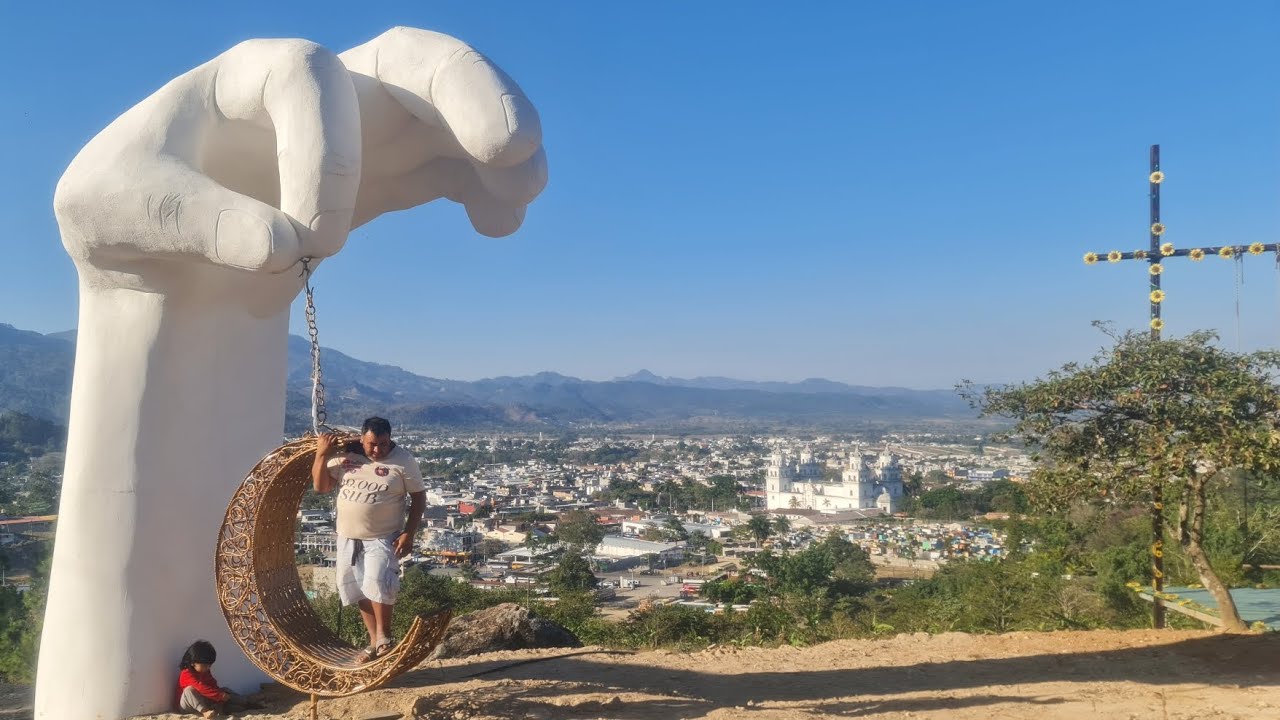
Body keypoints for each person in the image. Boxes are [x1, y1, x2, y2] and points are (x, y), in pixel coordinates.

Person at [312, 417, 426, 661]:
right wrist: (322, 455)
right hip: (347, 536)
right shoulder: (346, 455)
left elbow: (419, 497)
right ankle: (373, 642)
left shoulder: (403, 460)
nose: (377, 450)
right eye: (372, 444)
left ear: (390, 440)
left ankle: (385, 638)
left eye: (383, 444)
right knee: (359, 589)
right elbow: (321, 487)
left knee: (379, 583)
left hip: (383, 536)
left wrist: (409, 532)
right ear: (362, 438)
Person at [174, 640, 256, 717]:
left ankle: (248, 703)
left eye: (209, 665)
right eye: (205, 665)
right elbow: (200, 687)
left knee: (225, 691)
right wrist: (219, 695)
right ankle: (205, 712)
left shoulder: (205, 671)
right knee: (189, 690)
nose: (208, 668)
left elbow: (212, 684)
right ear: (193, 663)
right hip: (188, 707)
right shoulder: (186, 673)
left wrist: (221, 696)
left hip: (206, 702)